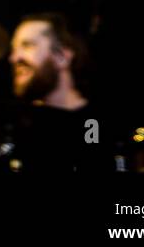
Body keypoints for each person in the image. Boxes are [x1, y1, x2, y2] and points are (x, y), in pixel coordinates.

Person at [8, 12, 110, 172]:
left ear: (61, 57)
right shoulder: (13, 122)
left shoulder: (94, 123)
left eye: (27, 45)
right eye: (14, 49)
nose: (14, 58)